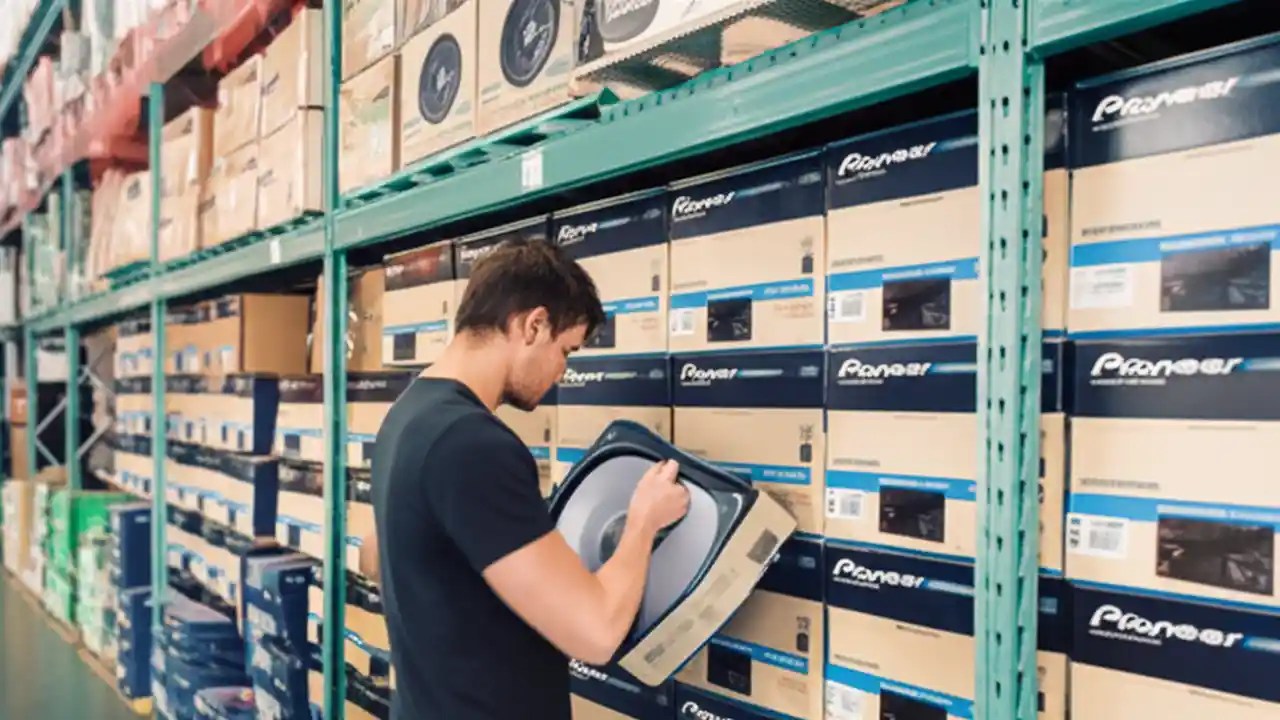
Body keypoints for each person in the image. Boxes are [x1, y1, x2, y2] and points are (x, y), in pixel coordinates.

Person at [366, 237, 690, 720]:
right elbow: (598, 634)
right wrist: (643, 521)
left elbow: (374, 555)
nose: (562, 372)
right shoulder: (472, 443)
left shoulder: (406, 414)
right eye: (566, 351)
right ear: (533, 325)